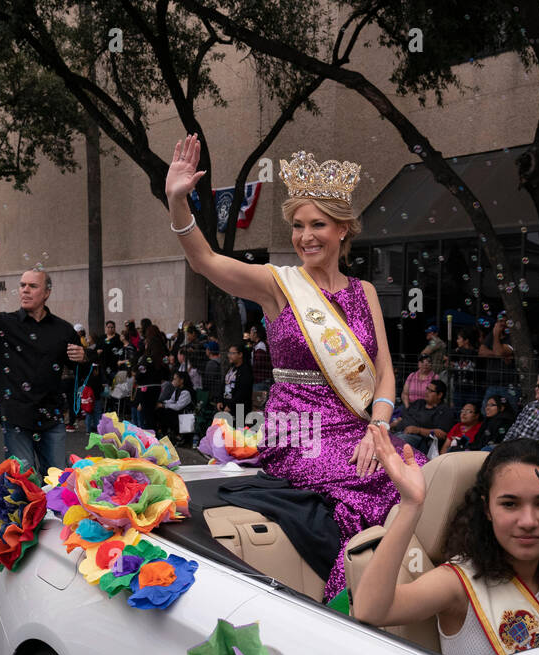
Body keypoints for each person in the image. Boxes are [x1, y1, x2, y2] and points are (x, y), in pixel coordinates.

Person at [166, 135, 419, 599]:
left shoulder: (363, 292)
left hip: (359, 427)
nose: (305, 237)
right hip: (297, 431)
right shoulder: (278, 285)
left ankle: (401, 593)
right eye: (298, 226)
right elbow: (204, 260)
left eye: (317, 224)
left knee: (412, 472)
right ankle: (353, 602)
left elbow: (384, 372)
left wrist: (377, 429)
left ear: (344, 229)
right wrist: (177, 200)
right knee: (357, 487)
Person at [353, 430, 539, 655]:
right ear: (487, 508)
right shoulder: (459, 583)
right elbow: (372, 610)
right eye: (510, 504)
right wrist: (411, 505)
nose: (528, 521)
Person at [0, 270, 92, 475]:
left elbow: (82, 374)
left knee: (57, 482)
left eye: (33, 286)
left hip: (51, 418)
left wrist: (83, 359)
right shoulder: (4, 323)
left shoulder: (64, 330)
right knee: (22, 483)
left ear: (47, 292)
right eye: (22, 285)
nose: (25, 290)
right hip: (16, 417)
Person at [391, 379, 454, 454]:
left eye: (431, 391)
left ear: (439, 395)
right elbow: (402, 418)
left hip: (420, 440)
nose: (427, 392)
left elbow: (442, 434)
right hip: (399, 432)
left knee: (395, 442)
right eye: (427, 389)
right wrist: (389, 426)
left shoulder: (444, 411)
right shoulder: (419, 403)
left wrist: (418, 430)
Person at [217, 343, 254, 422]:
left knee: (238, 432)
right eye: (229, 353)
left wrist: (231, 405)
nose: (229, 355)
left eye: (232, 353)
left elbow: (243, 392)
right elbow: (224, 384)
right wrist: (220, 400)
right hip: (226, 406)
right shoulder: (231, 368)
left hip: (239, 408)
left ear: (240, 354)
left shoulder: (246, 371)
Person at [157, 369, 194, 444]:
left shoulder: (186, 392)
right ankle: (163, 434)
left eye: (175, 379)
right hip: (178, 413)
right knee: (160, 410)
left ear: (181, 380)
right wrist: (161, 403)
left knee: (166, 412)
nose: (173, 381)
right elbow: (171, 400)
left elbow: (178, 406)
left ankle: (176, 435)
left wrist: (163, 405)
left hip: (186, 415)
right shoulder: (177, 390)